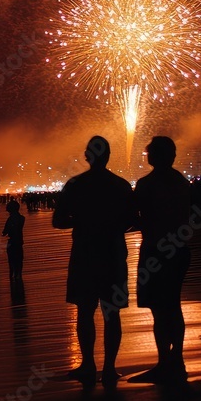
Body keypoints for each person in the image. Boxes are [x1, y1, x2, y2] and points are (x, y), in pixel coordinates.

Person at [52, 136, 136, 387]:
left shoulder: (75, 185)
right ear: (108, 156)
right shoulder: (120, 186)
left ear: (87, 156)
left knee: (85, 311)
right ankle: (109, 368)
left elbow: (58, 221)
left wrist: (82, 221)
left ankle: (88, 364)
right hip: (113, 253)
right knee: (112, 314)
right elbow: (132, 220)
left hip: (85, 254)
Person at [130, 136, 191, 383]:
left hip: (156, 250)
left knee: (158, 308)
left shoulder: (146, 184)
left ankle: (165, 362)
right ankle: (176, 359)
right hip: (179, 250)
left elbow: (133, 217)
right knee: (173, 305)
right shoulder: (181, 182)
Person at [2, 200, 25, 280]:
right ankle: (19, 273)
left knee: (11, 259)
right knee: (19, 258)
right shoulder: (21, 218)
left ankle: (13, 274)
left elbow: (5, 231)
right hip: (19, 240)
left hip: (12, 241)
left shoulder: (10, 219)